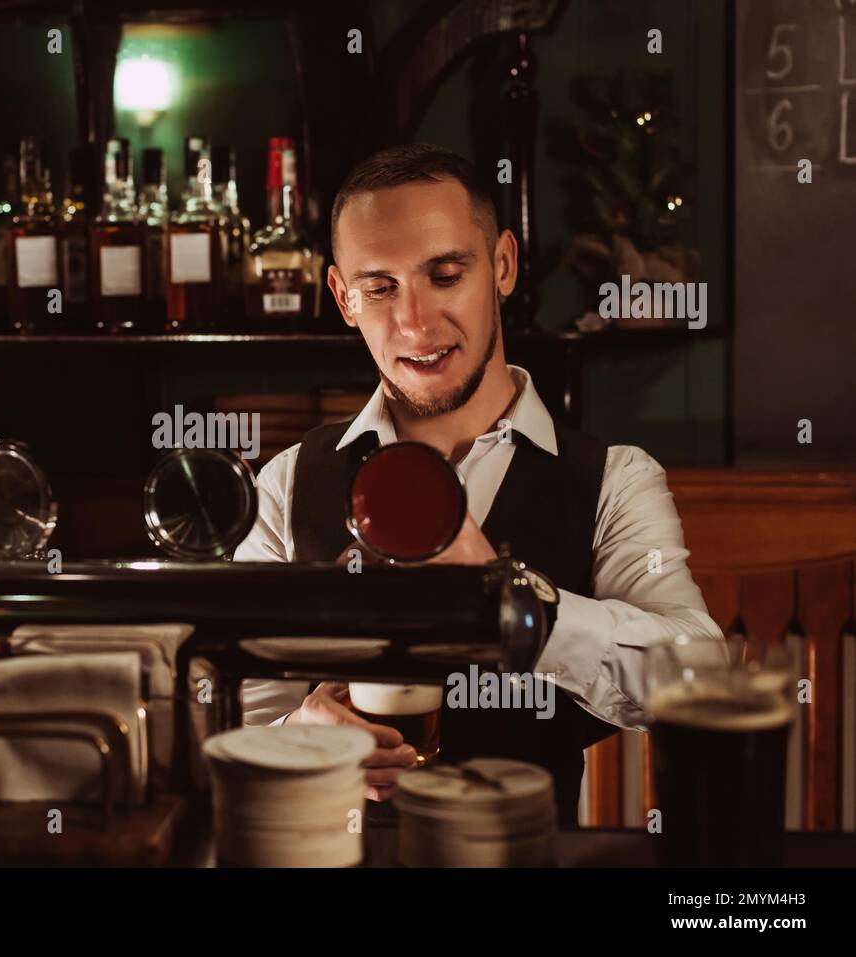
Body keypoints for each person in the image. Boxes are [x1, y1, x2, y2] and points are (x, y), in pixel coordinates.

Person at [232, 143, 721, 825]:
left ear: (503, 266)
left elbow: (698, 673)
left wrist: (520, 603)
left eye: (444, 273)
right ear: (343, 297)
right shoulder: (286, 485)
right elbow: (230, 735)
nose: (415, 323)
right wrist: (296, 740)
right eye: (380, 287)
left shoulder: (614, 478)